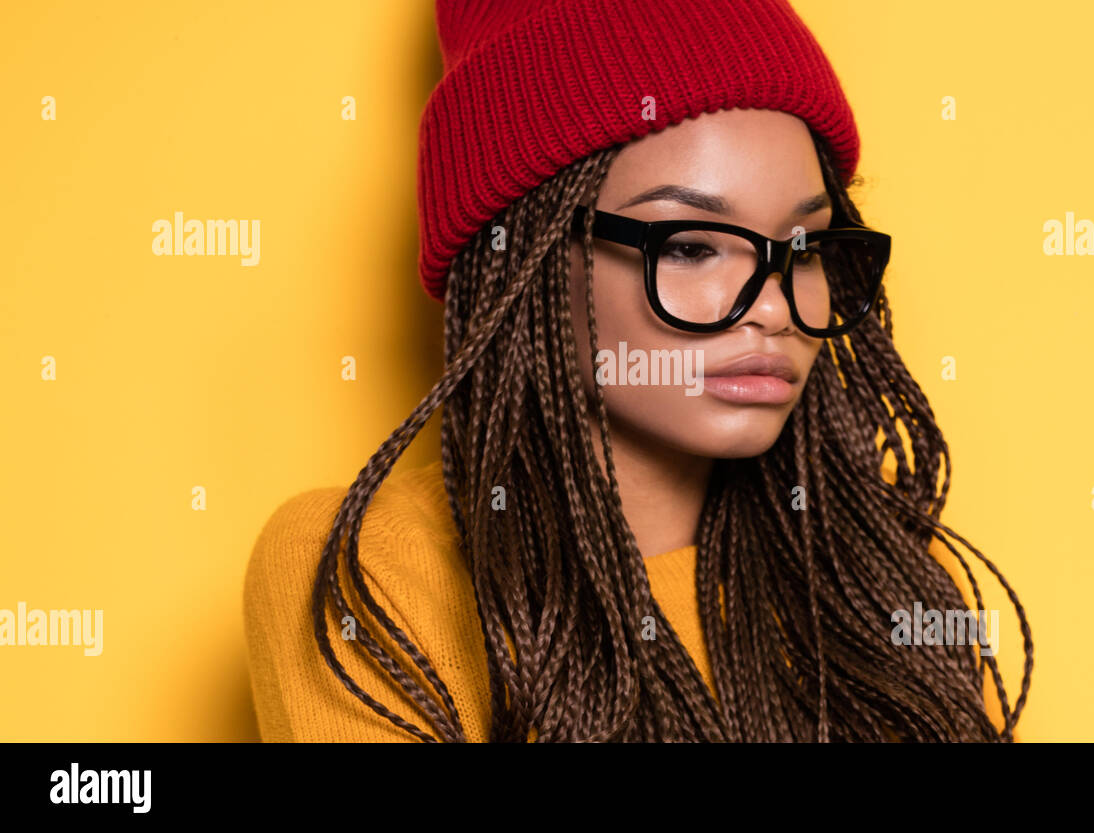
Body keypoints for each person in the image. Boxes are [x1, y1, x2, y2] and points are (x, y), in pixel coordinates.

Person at [243, 0, 1032, 742]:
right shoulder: (368, 572)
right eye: (691, 245)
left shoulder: (876, 579)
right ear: (531, 259)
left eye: (804, 249)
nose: (774, 307)